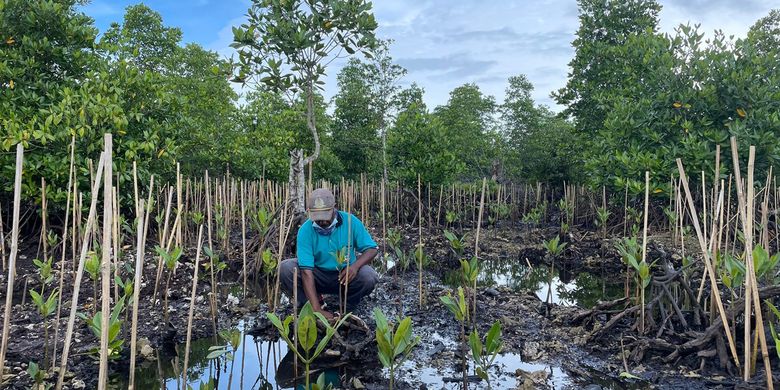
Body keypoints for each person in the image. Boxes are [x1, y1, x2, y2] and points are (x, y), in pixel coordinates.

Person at [279, 188, 379, 321]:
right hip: (318, 276)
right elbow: (306, 271)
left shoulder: (351, 221)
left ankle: (347, 306)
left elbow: (372, 249)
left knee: (369, 276)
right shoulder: (305, 230)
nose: (323, 222)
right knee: (286, 268)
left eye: (326, 216)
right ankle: (313, 303)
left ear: (334, 208)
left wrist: (354, 267)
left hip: (345, 276)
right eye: (318, 218)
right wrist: (317, 310)